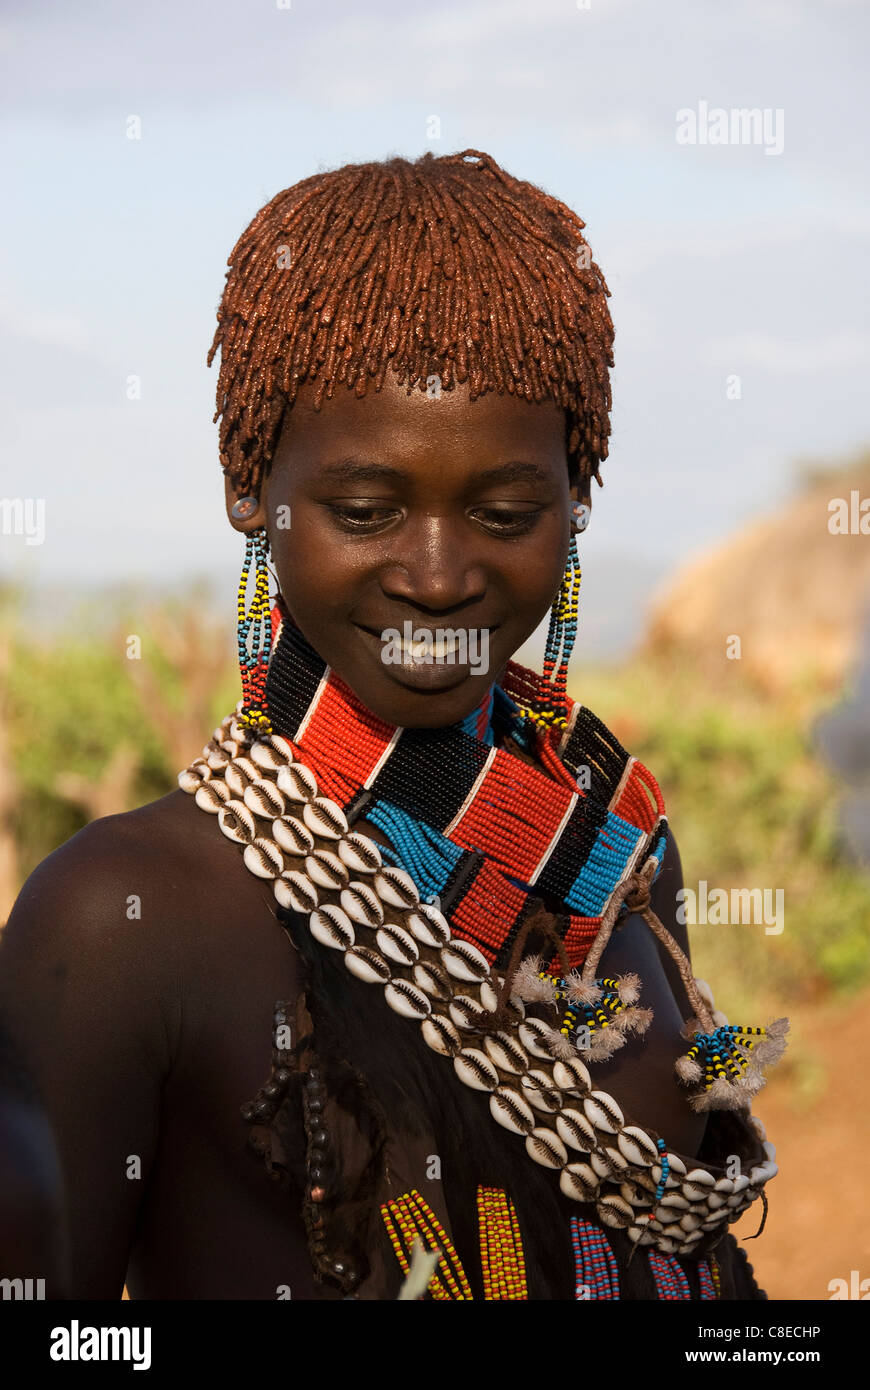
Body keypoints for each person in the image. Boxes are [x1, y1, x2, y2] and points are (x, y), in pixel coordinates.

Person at [0, 149, 785, 1300]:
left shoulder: (613, 861)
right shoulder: (128, 920)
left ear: (579, 498)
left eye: (506, 511)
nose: (436, 574)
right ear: (250, 484)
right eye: (365, 510)